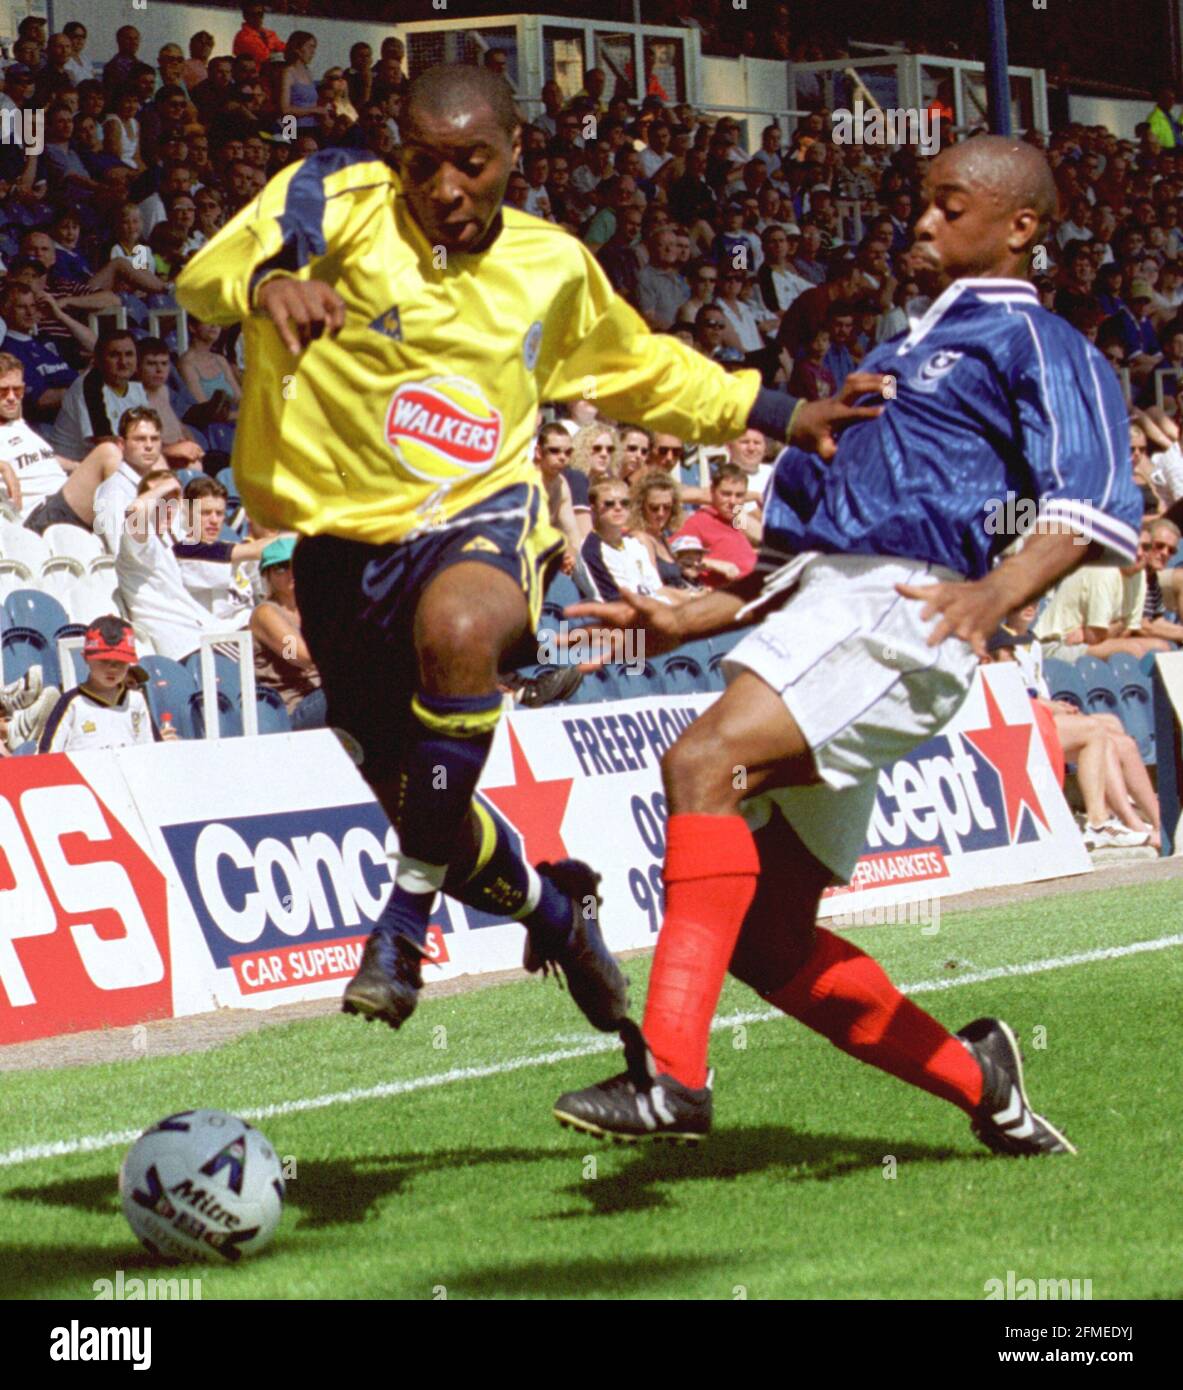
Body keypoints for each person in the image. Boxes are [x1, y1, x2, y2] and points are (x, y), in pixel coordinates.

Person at [176, 63, 875, 1039]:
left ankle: (402, 923)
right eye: (423, 165)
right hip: (340, 550)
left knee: (463, 628)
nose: (446, 189)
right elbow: (200, 274)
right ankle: (556, 912)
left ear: (515, 153)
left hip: (483, 523)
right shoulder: (331, 206)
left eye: (471, 163)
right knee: (435, 816)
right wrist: (270, 279)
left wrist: (782, 409)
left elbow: (639, 368)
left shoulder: (550, 265)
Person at [552, 135, 1141, 1154]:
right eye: (922, 203)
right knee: (767, 940)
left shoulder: (1039, 342)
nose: (921, 221)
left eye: (949, 207)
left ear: (1021, 227)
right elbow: (808, 546)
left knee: (702, 760)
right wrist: (707, 608)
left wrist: (996, 590)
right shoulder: (888, 359)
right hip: (834, 614)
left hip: (899, 613)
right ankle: (983, 1080)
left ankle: (671, 1076)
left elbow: (1087, 501)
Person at [0, 354, 113, 534]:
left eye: (18, 390)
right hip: (40, 518)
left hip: (64, 503)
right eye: (3, 391)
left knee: (155, 472)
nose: (12, 397)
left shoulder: (18, 424)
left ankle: (169, 545)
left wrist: (79, 467)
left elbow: (43, 458)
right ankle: (130, 550)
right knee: (108, 452)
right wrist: (4, 466)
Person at [39, 616, 176, 753]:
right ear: (85, 657)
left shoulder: (136, 700)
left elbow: (150, 749)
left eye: (121, 662)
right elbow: (47, 755)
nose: (112, 669)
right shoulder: (72, 702)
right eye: (104, 661)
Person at [251, 534, 324, 727]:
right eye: (281, 567)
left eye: (296, 564)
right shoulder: (265, 614)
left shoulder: (313, 608)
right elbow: (297, 655)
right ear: (267, 574)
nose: (291, 572)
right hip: (292, 708)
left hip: (320, 696)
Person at [671, 462, 758, 583]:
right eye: (726, 494)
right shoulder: (699, 521)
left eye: (739, 495)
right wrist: (714, 564)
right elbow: (671, 556)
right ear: (712, 491)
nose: (733, 501)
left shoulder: (737, 519)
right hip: (728, 592)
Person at [628, 469, 690, 589]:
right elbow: (654, 588)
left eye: (666, 507)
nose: (661, 513)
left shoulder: (661, 537)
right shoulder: (641, 539)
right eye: (654, 508)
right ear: (641, 507)